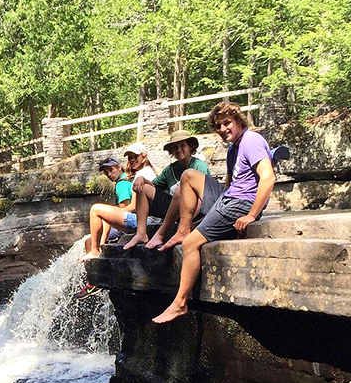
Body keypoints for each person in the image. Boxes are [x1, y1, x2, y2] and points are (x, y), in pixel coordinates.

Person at [151, 101, 275, 324]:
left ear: (238, 120)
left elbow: (268, 178)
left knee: (190, 244)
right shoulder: (233, 148)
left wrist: (252, 215)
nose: (223, 129)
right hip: (228, 197)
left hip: (241, 204)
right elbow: (231, 182)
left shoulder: (252, 140)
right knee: (188, 176)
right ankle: (182, 229)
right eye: (218, 126)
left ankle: (180, 303)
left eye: (227, 123)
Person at [75, 146, 156, 299]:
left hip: (143, 221)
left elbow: (129, 206)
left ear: (144, 156)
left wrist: (111, 212)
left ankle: (95, 268)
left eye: (110, 170)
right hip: (146, 219)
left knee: (96, 213)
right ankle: (97, 258)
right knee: (103, 220)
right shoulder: (140, 174)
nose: (108, 174)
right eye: (129, 157)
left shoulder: (127, 181)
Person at [122, 130, 210, 251]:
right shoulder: (170, 170)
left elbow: (204, 196)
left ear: (190, 147)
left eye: (182, 145)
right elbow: (154, 185)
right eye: (175, 147)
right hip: (174, 209)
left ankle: (161, 234)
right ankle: (141, 233)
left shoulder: (199, 166)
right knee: (143, 188)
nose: (179, 149)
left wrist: (187, 223)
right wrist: (141, 179)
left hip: (193, 211)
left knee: (182, 190)